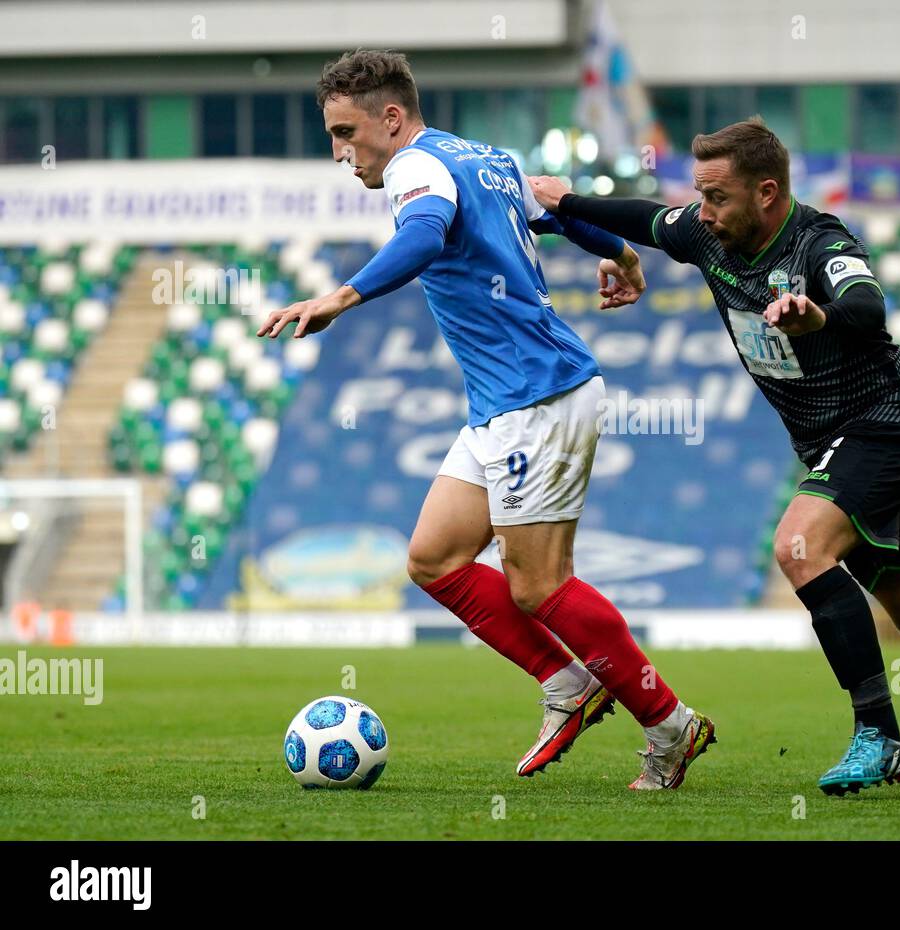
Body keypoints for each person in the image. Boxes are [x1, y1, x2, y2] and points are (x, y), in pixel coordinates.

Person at [529, 116, 900, 795]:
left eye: (719, 197)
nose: (704, 212)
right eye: (701, 195)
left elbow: (868, 306)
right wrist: (563, 204)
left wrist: (819, 316)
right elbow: (649, 219)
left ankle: (881, 738)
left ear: (768, 192)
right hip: (834, 446)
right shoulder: (704, 235)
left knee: (801, 547)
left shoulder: (819, 241)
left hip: (885, 426)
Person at [258, 49, 715, 790]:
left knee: (539, 586)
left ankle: (671, 726)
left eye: (346, 132)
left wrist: (343, 296)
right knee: (434, 559)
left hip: (539, 396)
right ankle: (567, 684)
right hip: (506, 403)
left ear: (392, 117)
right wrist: (622, 253)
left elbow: (425, 234)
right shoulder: (485, 158)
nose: (341, 153)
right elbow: (556, 210)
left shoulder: (415, 170)